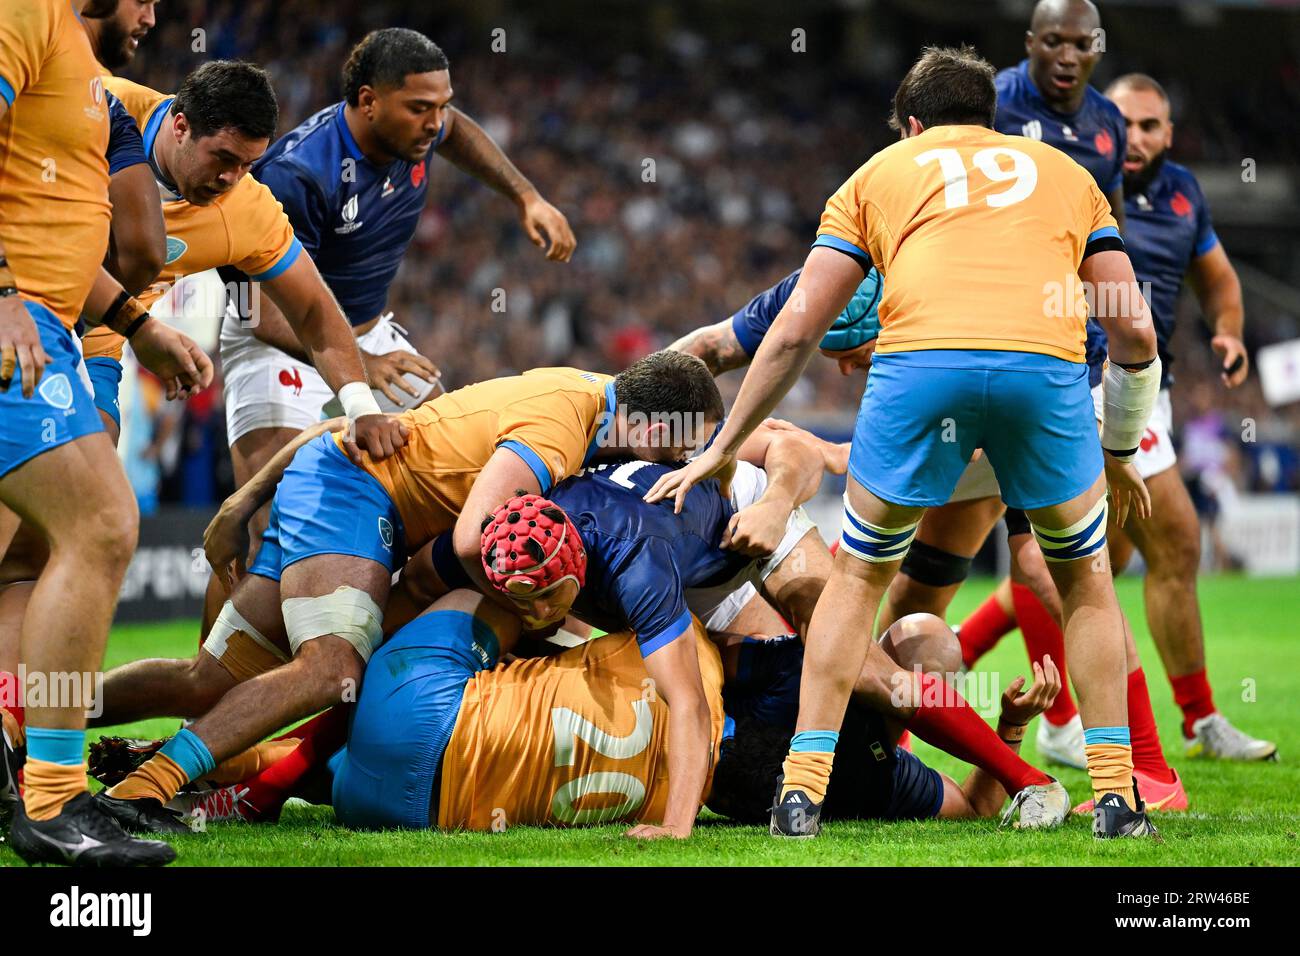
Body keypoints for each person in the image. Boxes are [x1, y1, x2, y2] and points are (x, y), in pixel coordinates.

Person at [645, 45, 1162, 840]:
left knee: (855, 579)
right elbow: (1132, 327)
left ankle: (802, 793)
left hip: (923, 370)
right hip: (1043, 373)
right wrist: (1122, 450)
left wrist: (722, 444)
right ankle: (1119, 797)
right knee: (1084, 580)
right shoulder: (1068, 175)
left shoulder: (878, 175)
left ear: (912, 125)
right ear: (990, 118)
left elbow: (791, 331)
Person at [92, 353, 724, 836]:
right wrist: (541, 609)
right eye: (679, 447)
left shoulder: (585, 399)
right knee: (331, 671)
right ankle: (146, 788)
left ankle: (24, 719)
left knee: (209, 680)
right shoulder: (563, 423)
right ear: (648, 424)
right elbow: (477, 539)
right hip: (359, 500)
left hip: (340, 485)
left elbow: (357, 425)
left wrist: (246, 498)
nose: (681, 464)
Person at [962, 74, 1273, 765]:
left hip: (1144, 385)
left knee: (1091, 561)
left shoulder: (1184, 192)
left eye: (1151, 126)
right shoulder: (1065, 181)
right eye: (1125, 124)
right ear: (1106, 128)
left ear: (1169, 133)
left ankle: (973, 663)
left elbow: (1219, 278)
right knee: (1165, 542)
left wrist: (1228, 330)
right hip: (1083, 374)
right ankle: (1166, 729)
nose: (1135, 138)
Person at [216, 28, 576, 609]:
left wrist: (525, 196)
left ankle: (413, 660)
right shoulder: (298, 174)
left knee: (469, 479)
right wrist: (363, 364)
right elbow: (258, 311)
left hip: (369, 337)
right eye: (419, 108)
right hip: (280, 345)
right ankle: (213, 686)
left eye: (442, 105)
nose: (435, 122)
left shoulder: (419, 133)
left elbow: (459, 134)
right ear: (367, 101)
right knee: (267, 529)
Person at [0, 0, 210, 866]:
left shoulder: (81, 67)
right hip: (19, 327)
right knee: (102, 524)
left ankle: (39, 784)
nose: (152, 14)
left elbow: (55, 234)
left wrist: (137, 321)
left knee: (45, 548)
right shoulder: (23, 10)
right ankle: (51, 800)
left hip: (48, 322)